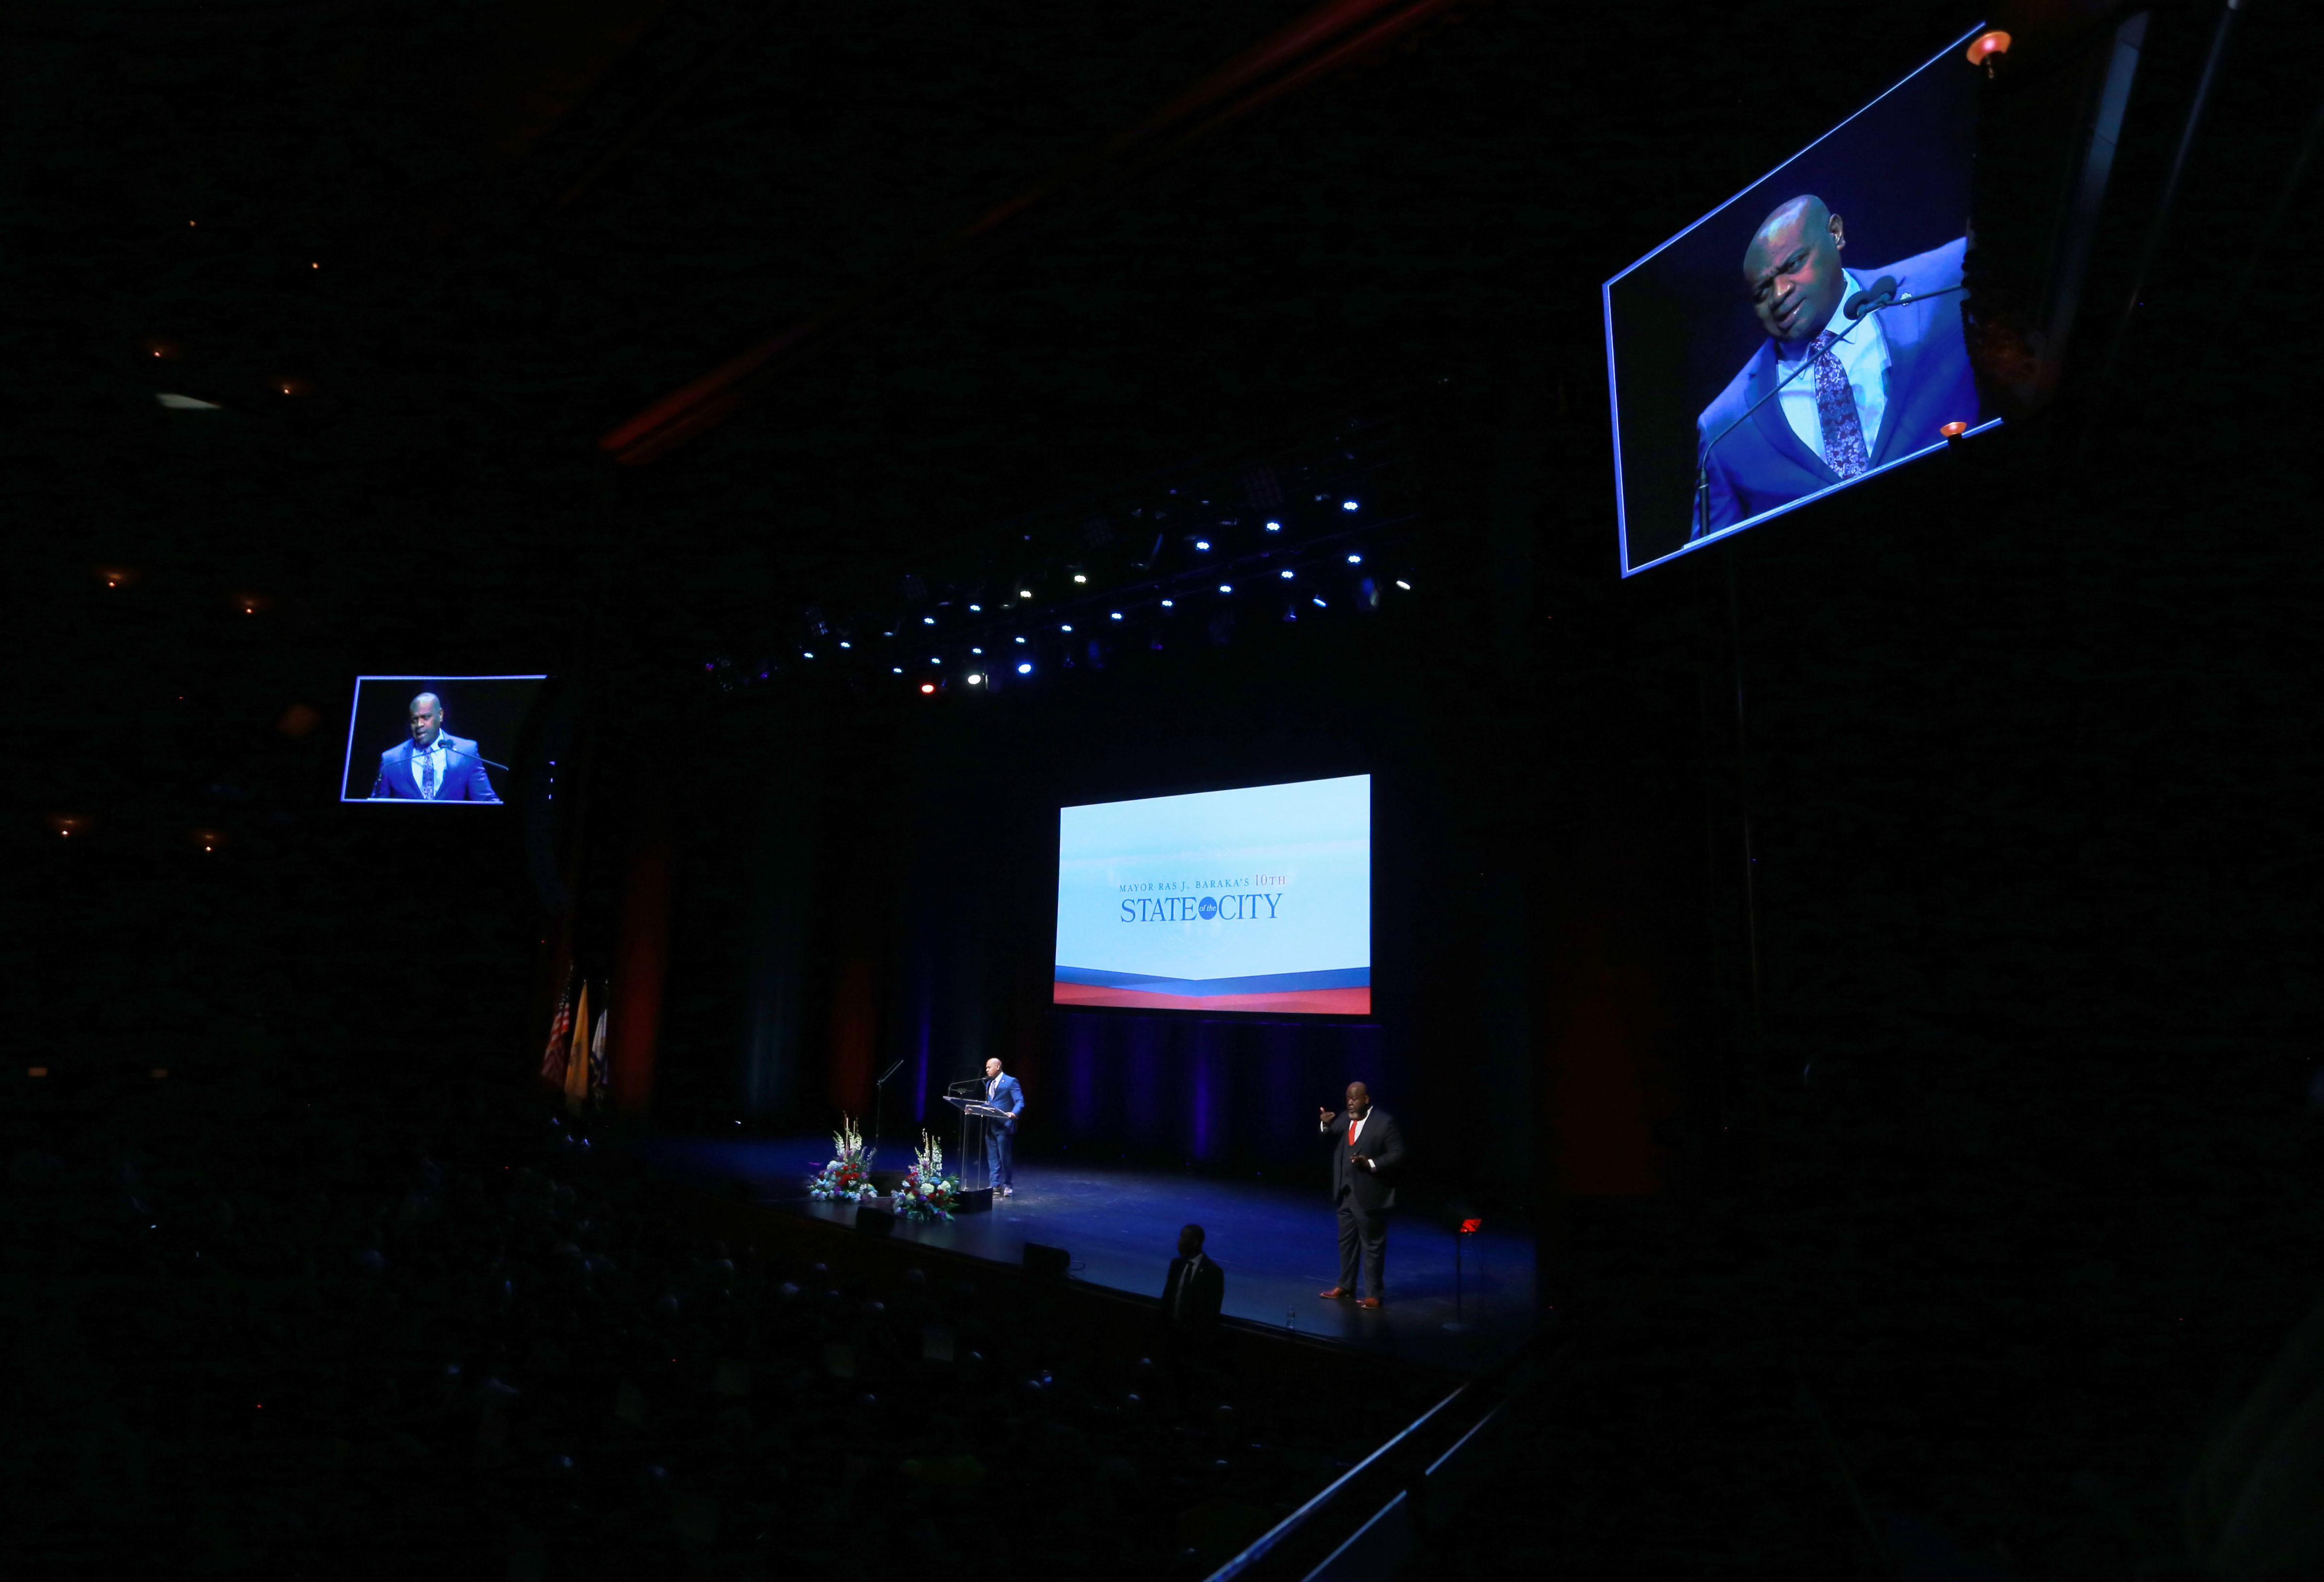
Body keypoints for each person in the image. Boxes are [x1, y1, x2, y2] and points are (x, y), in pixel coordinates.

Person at [1692, 195, 1979, 540]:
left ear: (1836, 233)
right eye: (1762, 291)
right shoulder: (1724, 427)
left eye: (1793, 264)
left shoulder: (1946, 282)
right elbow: (1714, 562)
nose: (1779, 294)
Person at [1317, 1081, 1404, 1309]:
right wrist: (1325, 1125)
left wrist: (1372, 1163)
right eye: (1348, 1098)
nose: (1350, 1103)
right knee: (1346, 1243)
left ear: (1366, 1099)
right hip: (1345, 1192)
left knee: (1372, 1246)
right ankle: (1346, 1285)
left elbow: (1398, 1154)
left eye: (1355, 1098)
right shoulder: (1344, 1119)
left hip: (1371, 1194)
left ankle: (1374, 1294)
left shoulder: (1384, 1123)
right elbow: (1329, 1140)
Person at [370, 692, 500, 802]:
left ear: (441, 715)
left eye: (426, 717)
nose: (419, 725)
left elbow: (486, 801)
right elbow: (376, 806)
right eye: (414, 720)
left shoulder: (466, 752)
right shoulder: (391, 760)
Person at [981, 1056, 1023, 1199]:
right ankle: (995, 1186)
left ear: (997, 1067)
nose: (987, 1070)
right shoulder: (989, 1083)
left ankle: (1008, 1185)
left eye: (989, 1067)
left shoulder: (1011, 1082)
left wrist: (1014, 1113)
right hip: (991, 1126)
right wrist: (974, 1109)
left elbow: (1020, 1101)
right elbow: (990, 1103)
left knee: (1005, 1158)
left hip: (1004, 1126)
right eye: (986, 1068)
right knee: (992, 1158)